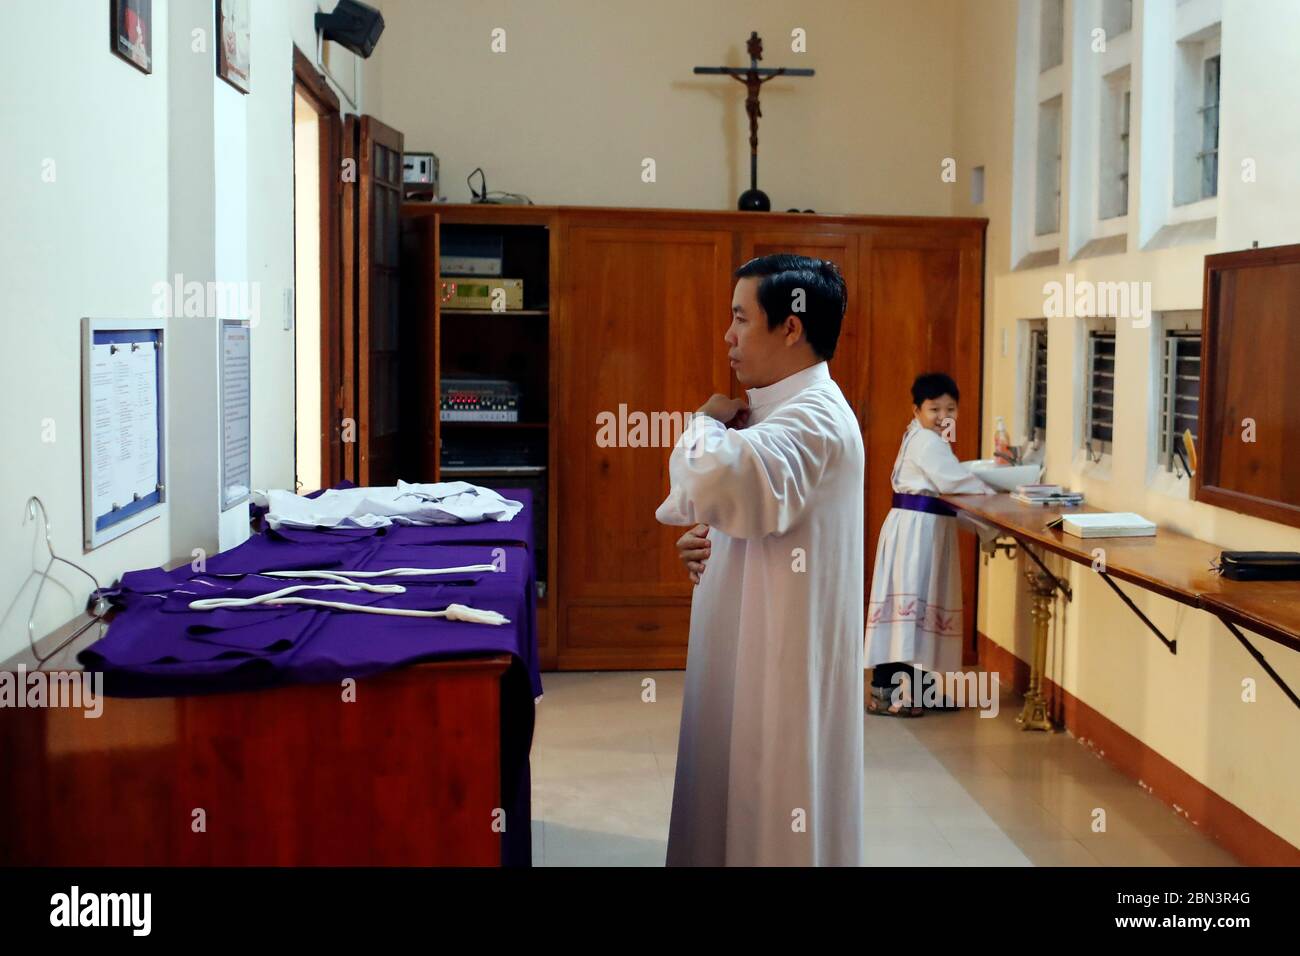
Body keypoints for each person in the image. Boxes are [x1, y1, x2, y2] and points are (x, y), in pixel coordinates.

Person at [657, 254, 865, 866]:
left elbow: (718, 473)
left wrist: (700, 423)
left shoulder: (814, 417)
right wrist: (711, 541)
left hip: (780, 658)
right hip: (748, 642)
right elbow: (743, 505)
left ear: (791, 327)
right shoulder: (775, 408)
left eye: (741, 319)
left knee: (772, 807)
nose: (728, 336)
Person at [865, 372, 995, 716]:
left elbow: (947, 492)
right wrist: (997, 494)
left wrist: (985, 523)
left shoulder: (923, 437)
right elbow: (955, 483)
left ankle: (918, 689)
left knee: (912, 609)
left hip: (921, 530)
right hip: (916, 536)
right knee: (910, 609)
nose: (942, 416)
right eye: (933, 408)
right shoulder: (927, 441)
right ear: (916, 409)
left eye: (950, 408)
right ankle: (892, 692)